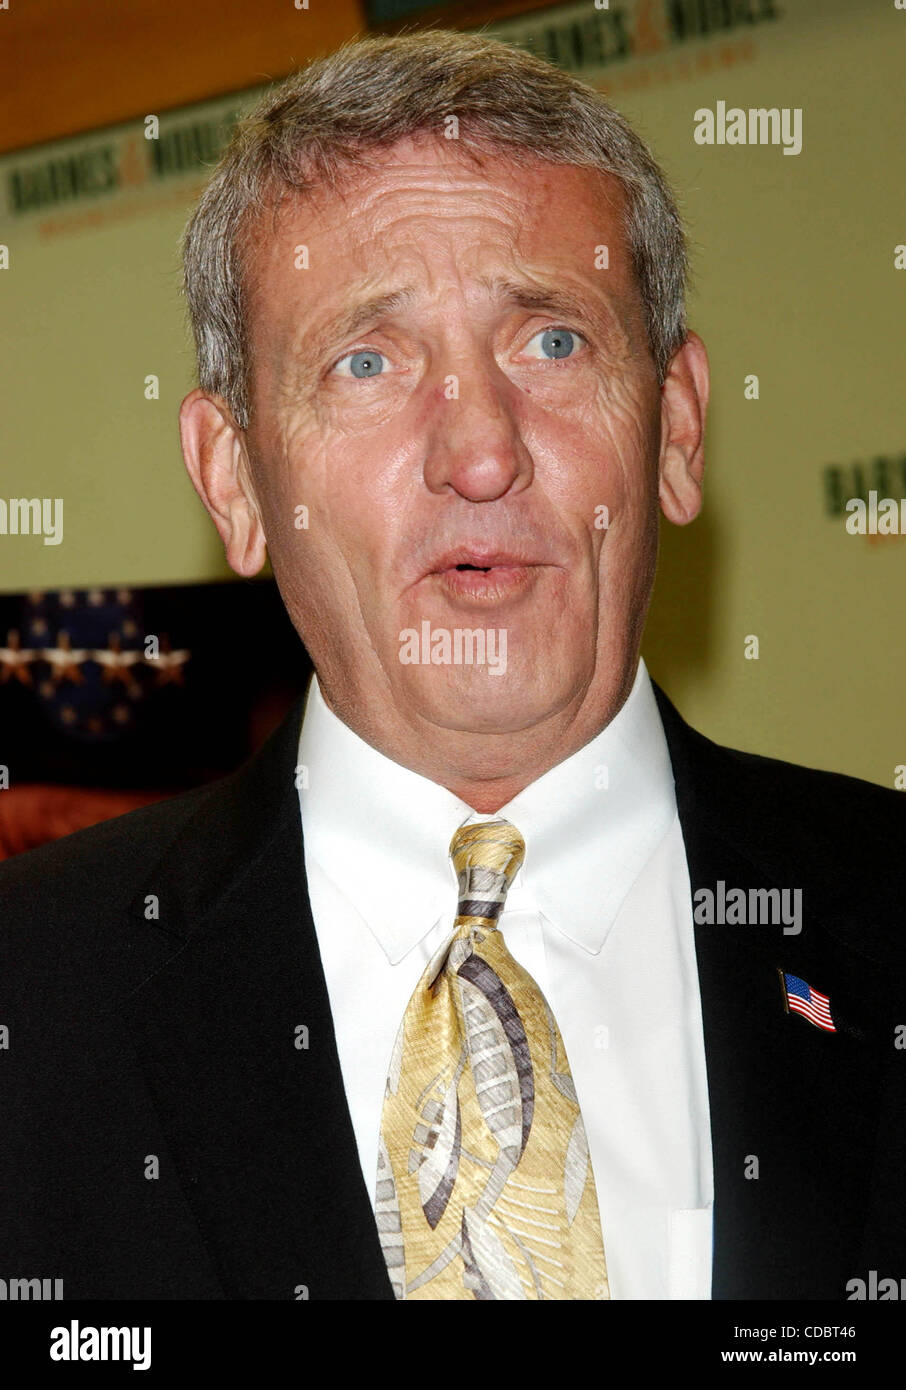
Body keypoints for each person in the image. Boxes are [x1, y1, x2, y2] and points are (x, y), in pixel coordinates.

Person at [1, 30, 902, 1302]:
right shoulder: (30, 1008)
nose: (481, 451)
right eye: (367, 362)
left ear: (678, 431)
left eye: (552, 343)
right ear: (237, 481)